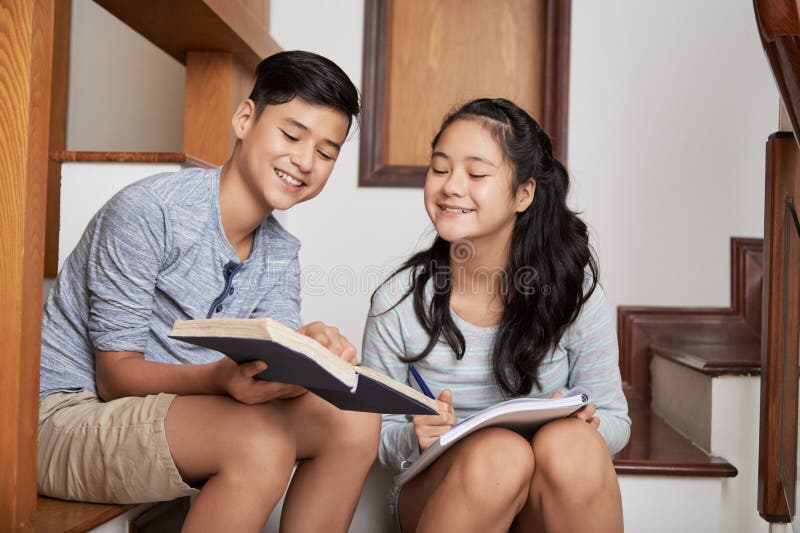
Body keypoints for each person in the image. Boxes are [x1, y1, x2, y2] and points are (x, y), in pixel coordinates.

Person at [38, 50, 380, 533]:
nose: (304, 161)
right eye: (290, 135)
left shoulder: (280, 252)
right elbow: (114, 377)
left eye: (325, 153)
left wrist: (314, 355)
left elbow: (261, 372)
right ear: (245, 119)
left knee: (353, 420)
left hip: (175, 417)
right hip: (68, 416)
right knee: (259, 439)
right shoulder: (148, 212)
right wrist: (219, 380)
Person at [362, 98, 630, 533]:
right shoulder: (398, 301)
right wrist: (415, 433)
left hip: (546, 498)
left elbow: (618, 423)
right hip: (442, 490)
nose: (451, 186)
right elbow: (374, 433)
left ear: (524, 193)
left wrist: (591, 422)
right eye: (440, 168)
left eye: (476, 173)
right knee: (500, 454)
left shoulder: (572, 294)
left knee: (574, 443)